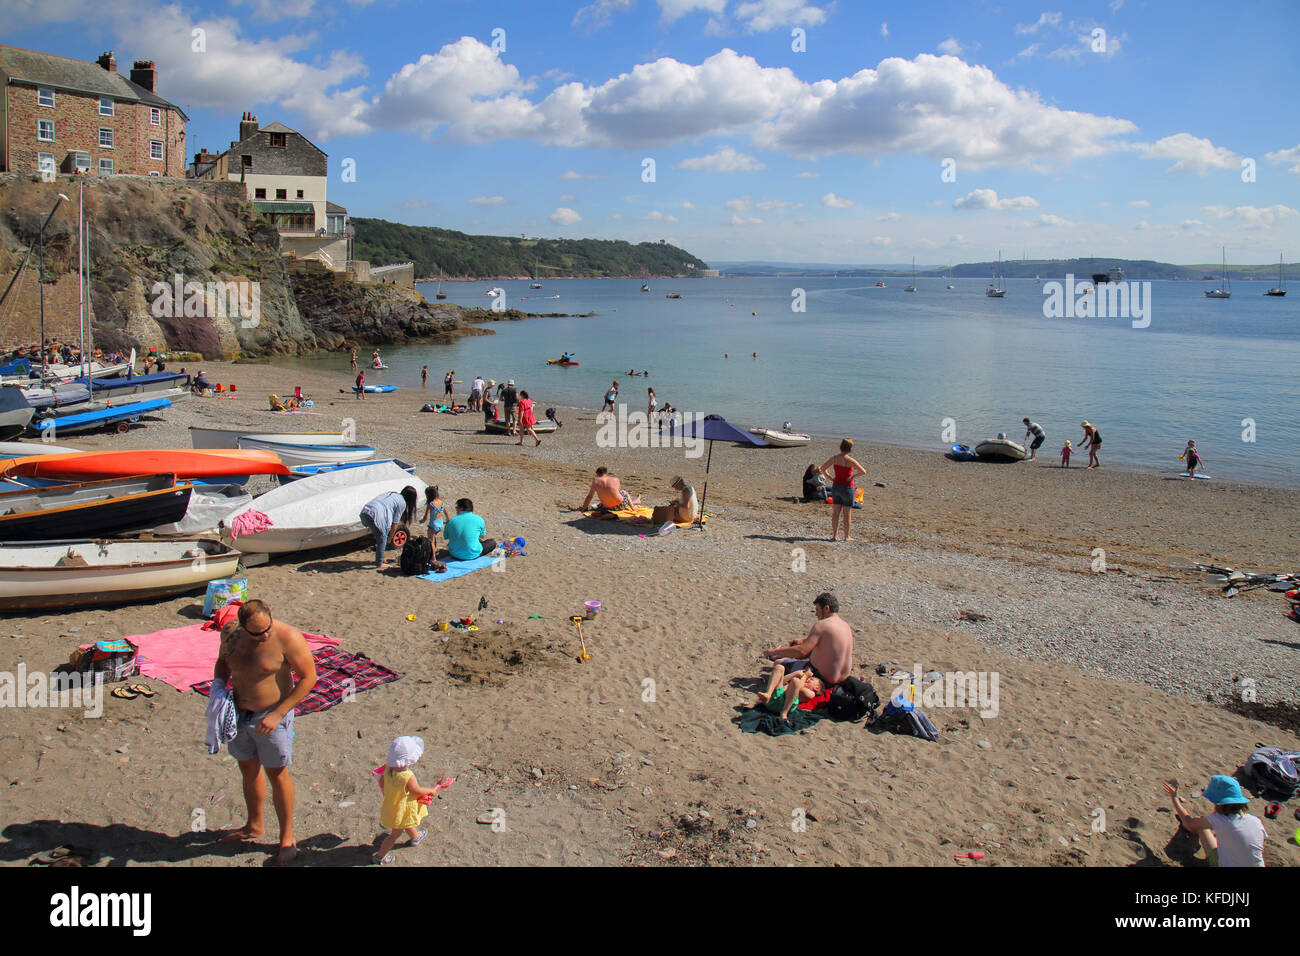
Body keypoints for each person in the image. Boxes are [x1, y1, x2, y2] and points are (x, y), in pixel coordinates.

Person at [214, 598, 318, 866]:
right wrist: (217, 689)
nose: (265, 635)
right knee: (248, 770)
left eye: (267, 628)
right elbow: (223, 663)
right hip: (239, 713)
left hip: (272, 715)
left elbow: (309, 678)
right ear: (243, 627)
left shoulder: (287, 637)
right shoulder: (230, 635)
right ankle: (254, 825)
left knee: (278, 774)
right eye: (258, 633)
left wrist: (278, 714)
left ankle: (287, 838)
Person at [761, 592, 855, 695]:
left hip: (821, 678)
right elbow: (828, 644)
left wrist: (775, 652)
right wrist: (804, 640)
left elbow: (802, 652)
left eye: (818, 610)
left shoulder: (822, 625)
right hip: (842, 680)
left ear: (826, 608)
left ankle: (777, 657)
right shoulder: (846, 627)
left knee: (779, 663)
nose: (816, 614)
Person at [1161, 776, 1265, 867]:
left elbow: (1189, 823)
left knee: (1202, 828)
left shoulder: (1219, 820)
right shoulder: (1256, 821)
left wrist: (1174, 798)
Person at [373, 736, 439, 865]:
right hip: (402, 809)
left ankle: (415, 838)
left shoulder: (387, 769)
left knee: (406, 824)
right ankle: (379, 857)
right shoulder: (407, 776)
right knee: (394, 834)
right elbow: (417, 791)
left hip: (391, 806)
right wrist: (431, 790)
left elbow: (381, 783)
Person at [819, 438, 866, 542]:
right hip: (847, 487)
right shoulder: (850, 460)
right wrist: (853, 476)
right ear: (850, 448)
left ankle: (835, 535)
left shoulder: (835, 458)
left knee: (836, 513)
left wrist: (830, 477)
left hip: (836, 486)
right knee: (846, 513)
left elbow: (822, 468)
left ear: (841, 446)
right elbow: (863, 471)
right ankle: (846, 536)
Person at [359, 486, 417, 568]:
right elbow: (395, 523)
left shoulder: (392, 494)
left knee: (380, 536)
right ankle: (379, 563)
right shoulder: (402, 503)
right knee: (382, 539)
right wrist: (390, 537)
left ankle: (380, 558)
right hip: (376, 514)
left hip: (365, 511)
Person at [756, 660, 825, 721]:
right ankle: (768, 694)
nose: (808, 679)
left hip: (784, 705)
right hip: (775, 698)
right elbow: (781, 682)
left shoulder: (811, 693)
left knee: (796, 681)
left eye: (811, 679)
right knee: (779, 667)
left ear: (816, 688)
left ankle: (784, 712)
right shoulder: (797, 683)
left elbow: (799, 688)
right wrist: (794, 674)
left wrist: (805, 676)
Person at [422, 486, 446, 551]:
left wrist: (422, 521)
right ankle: (434, 549)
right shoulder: (442, 503)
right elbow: (447, 515)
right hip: (440, 524)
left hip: (433, 525)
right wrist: (447, 521)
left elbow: (425, 517)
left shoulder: (430, 504)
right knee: (434, 538)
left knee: (431, 541)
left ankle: (433, 558)